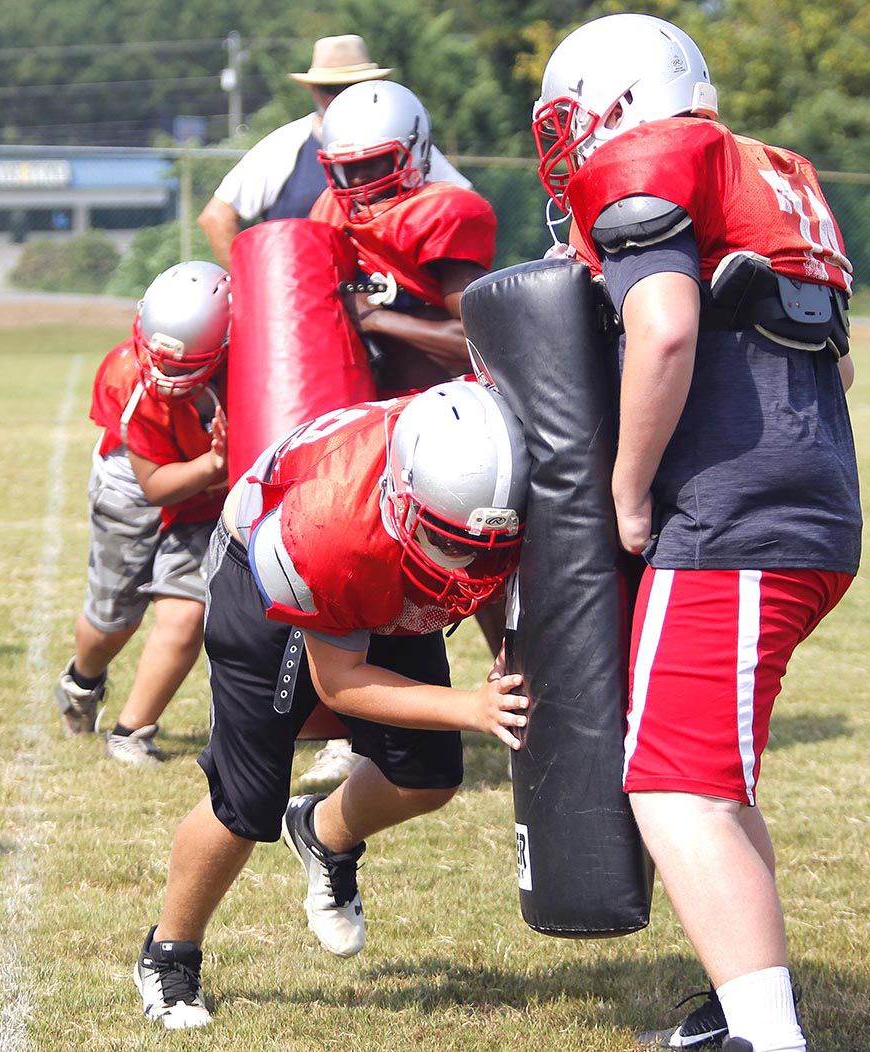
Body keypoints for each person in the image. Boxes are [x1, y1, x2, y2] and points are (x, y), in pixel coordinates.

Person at [531, 14, 862, 1052]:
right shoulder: (769, 173)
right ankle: (750, 1002)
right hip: (801, 504)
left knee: (674, 785)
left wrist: (628, 487)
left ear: (619, 101)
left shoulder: (650, 160)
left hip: (739, 516)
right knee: (707, 776)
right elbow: (842, 368)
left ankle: (768, 1034)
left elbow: (668, 326)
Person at [133, 379, 531, 1030]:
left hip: (388, 554)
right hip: (275, 573)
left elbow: (493, 566)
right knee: (247, 799)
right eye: (448, 542)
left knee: (425, 778)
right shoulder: (326, 533)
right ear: (401, 495)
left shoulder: (491, 455)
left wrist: (510, 643)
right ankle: (169, 952)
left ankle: (322, 834)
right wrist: (471, 706)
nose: (461, 564)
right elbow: (341, 680)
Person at [291, 77, 504, 789]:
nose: (354, 185)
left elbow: (486, 337)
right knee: (367, 583)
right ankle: (359, 728)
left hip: (454, 425)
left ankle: (530, 704)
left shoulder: (438, 217)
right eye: (342, 170)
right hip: (375, 434)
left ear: (411, 156)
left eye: (370, 167)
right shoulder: (330, 213)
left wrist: (376, 318)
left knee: (488, 576)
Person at [55, 261, 231, 765]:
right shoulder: (125, 373)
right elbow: (155, 485)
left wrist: (219, 468)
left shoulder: (255, 360)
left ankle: (131, 731)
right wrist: (215, 462)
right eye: (162, 359)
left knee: (188, 609)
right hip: (139, 479)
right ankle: (83, 683)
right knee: (115, 615)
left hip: (211, 487)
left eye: (185, 364)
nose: (169, 374)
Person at [198, 34, 470, 270]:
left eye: (351, 87)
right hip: (302, 305)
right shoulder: (284, 145)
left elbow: (462, 204)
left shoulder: (404, 141)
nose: (341, 98)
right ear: (313, 89)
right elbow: (216, 217)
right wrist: (258, 288)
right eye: (331, 89)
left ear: (371, 86)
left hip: (390, 299)